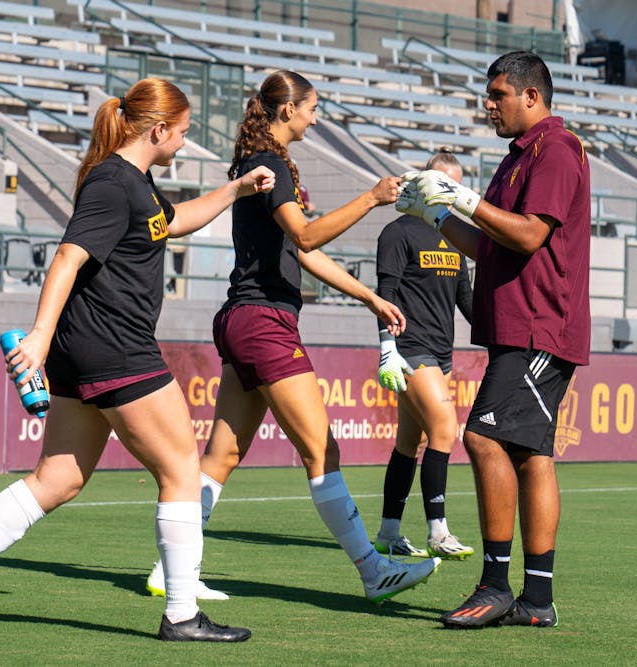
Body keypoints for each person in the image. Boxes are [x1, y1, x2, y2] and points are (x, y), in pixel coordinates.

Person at [0, 77, 276, 642]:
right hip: (115, 345)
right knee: (182, 470)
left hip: (87, 349)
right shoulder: (111, 183)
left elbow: (172, 222)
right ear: (157, 130)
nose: (183, 142)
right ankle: (181, 614)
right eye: (181, 133)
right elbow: (66, 259)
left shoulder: (137, 182)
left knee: (57, 477)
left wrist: (236, 190)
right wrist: (36, 336)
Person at [146, 69, 440, 604]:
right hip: (263, 323)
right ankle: (373, 571)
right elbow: (306, 234)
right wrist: (372, 199)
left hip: (243, 319)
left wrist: (369, 296)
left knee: (221, 458)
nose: (314, 116)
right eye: (311, 108)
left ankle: (169, 573)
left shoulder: (264, 164)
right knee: (321, 451)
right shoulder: (270, 164)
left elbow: (303, 251)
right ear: (288, 111)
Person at [397, 50, 590, 629]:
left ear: (531, 96)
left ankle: (497, 585)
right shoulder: (519, 157)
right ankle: (536, 600)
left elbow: (529, 236)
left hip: (541, 326)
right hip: (521, 326)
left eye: (498, 94)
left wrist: (461, 198)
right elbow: (491, 246)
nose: (489, 104)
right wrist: (432, 215)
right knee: (530, 456)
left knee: (482, 438)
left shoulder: (555, 150)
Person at [371, 150, 474, 562]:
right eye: (445, 184)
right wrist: (386, 348)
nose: (452, 194)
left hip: (441, 353)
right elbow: (385, 294)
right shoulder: (397, 233)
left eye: (457, 187)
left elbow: (467, 302)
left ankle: (388, 533)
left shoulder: (455, 237)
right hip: (411, 350)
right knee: (445, 428)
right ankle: (438, 531)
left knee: (408, 443)